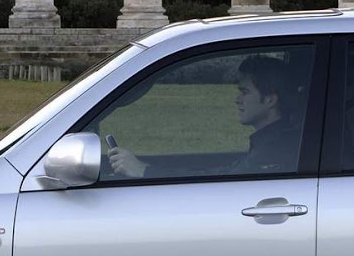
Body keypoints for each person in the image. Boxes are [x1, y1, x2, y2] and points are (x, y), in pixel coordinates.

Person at [107, 55, 300, 178]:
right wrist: (147, 168)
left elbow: (220, 185)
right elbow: (219, 173)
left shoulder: (275, 150)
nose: (237, 100)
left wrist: (143, 171)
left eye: (245, 92)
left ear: (270, 99)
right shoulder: (274, 141)